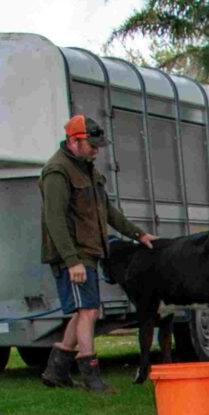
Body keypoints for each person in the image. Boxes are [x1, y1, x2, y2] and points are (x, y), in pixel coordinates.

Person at [38, 114, 155, 394]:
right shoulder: (57, 171)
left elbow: (107, 210)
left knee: (83, 311)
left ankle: (56, 371)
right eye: (92, 145)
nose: (96, 150)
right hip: (74, 255)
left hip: (88, 252)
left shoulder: (86, 168)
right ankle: (92, 378)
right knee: (88, 311)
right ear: (73, 141)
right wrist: (72, 261)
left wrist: (138, 234)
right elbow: (54, 220)